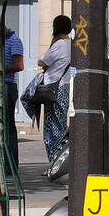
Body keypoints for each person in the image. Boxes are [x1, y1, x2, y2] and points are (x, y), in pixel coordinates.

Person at [37, 15, 73, 165]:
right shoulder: (73, 44)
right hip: (65, 87)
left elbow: (42, 61)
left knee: (52, 127)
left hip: (53, 88)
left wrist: (53, 41)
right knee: (61, 123)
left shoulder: (59, 45)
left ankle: (55, 162)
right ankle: (59, 162)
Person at [3, 23, 24, 169]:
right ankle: (2, 163)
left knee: (8, 127)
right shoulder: (1, 41)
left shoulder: (14, 41)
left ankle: (10, 165)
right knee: (2, 127)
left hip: (8, 87)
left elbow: (19, 66)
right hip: (1, 86)